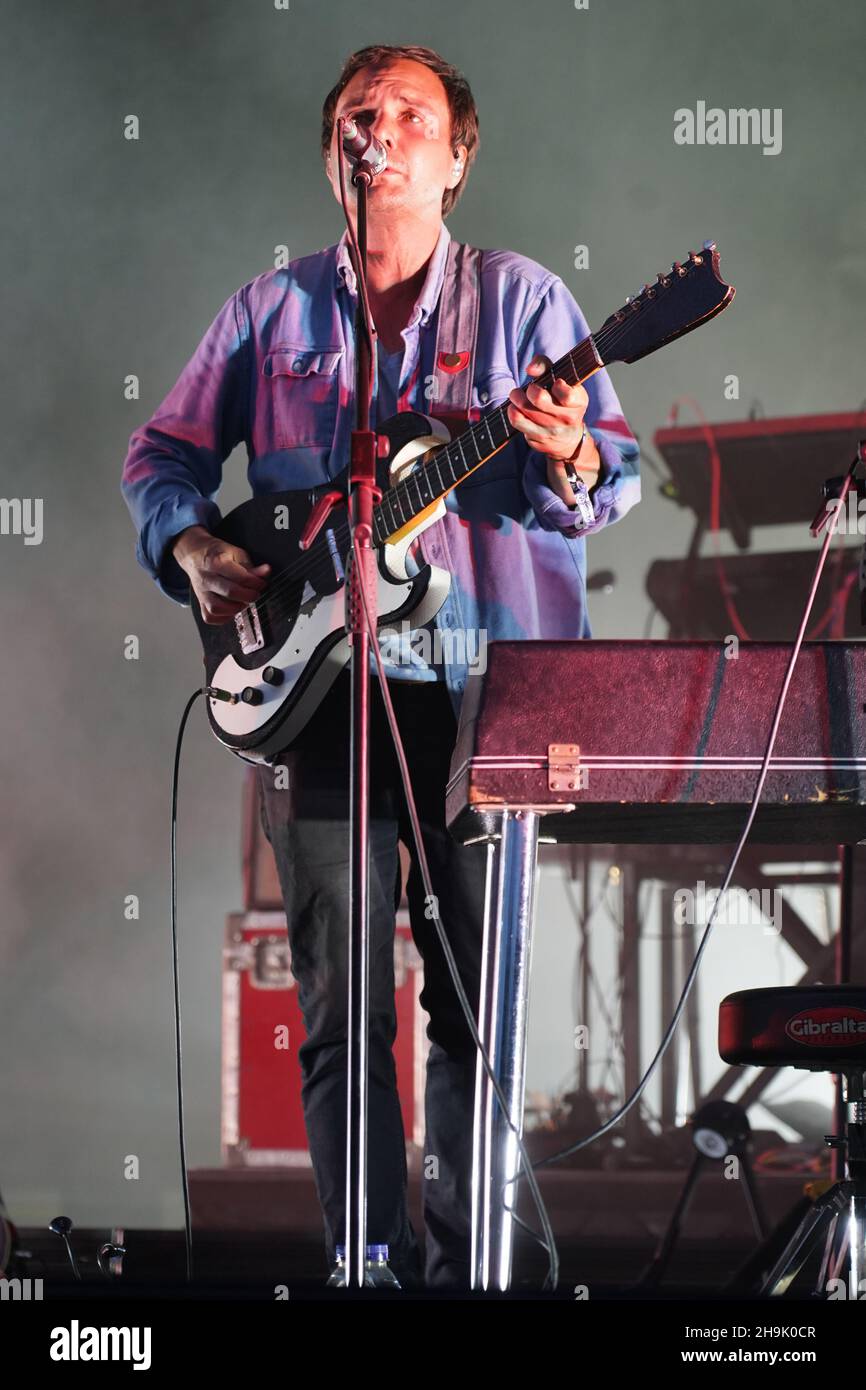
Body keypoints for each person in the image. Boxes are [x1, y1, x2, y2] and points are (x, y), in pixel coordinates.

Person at [121, 43, 640, 1290]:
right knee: (341, 1014)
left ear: (457, 158)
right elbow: (161, 457)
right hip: (314, 698)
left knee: (474, 1012)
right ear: (330, 156)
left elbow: (608, 483)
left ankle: (473, 1273)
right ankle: (367, 1268)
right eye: (360, 113)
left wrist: (566, 451)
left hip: (484, 700)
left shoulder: (524, 306)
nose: (382, 129)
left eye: (412, 114)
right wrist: (192, 545)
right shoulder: (270, 311)